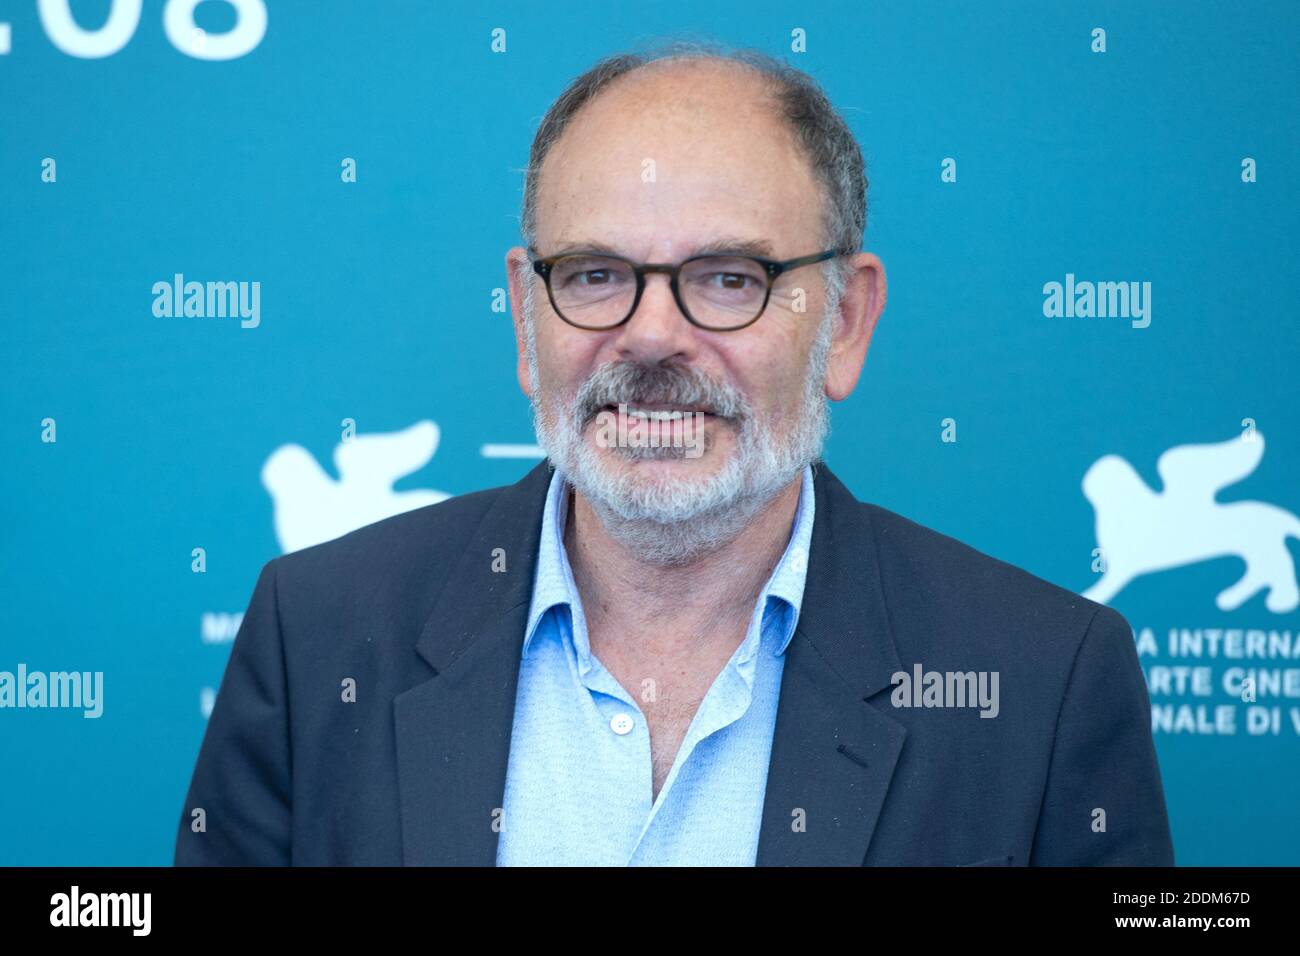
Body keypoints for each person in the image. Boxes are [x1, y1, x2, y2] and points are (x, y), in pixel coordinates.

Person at [175, 41, 1174, 866]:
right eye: (597, 273)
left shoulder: (1041, 679)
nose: (651, 336)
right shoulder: (317, 636)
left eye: (729, 277)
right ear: (527, 317)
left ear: (847, 319)